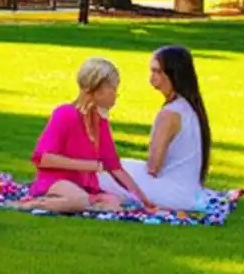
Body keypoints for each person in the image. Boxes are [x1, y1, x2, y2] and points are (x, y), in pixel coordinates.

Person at [18, 57, 153, 213]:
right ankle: (34, 203)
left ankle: (76, 203)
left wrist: (144, 200)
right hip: (56, 181)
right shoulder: (65, 114)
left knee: (114, 204)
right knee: (79, 201)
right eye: (113, 89)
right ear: (98, 88)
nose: (116, 95)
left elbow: (114, 167)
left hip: (85, 187)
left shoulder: (100, 122)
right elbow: (42, 158)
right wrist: (88, 165)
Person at [98, 46, 213, 210]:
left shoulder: (169, 114)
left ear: (174, 74)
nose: (152, 79)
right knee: (119, 166)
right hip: (189, 191)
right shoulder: (188, 106)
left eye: (158, 72)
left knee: (103, 172)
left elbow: (153, 168)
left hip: (172, 194)